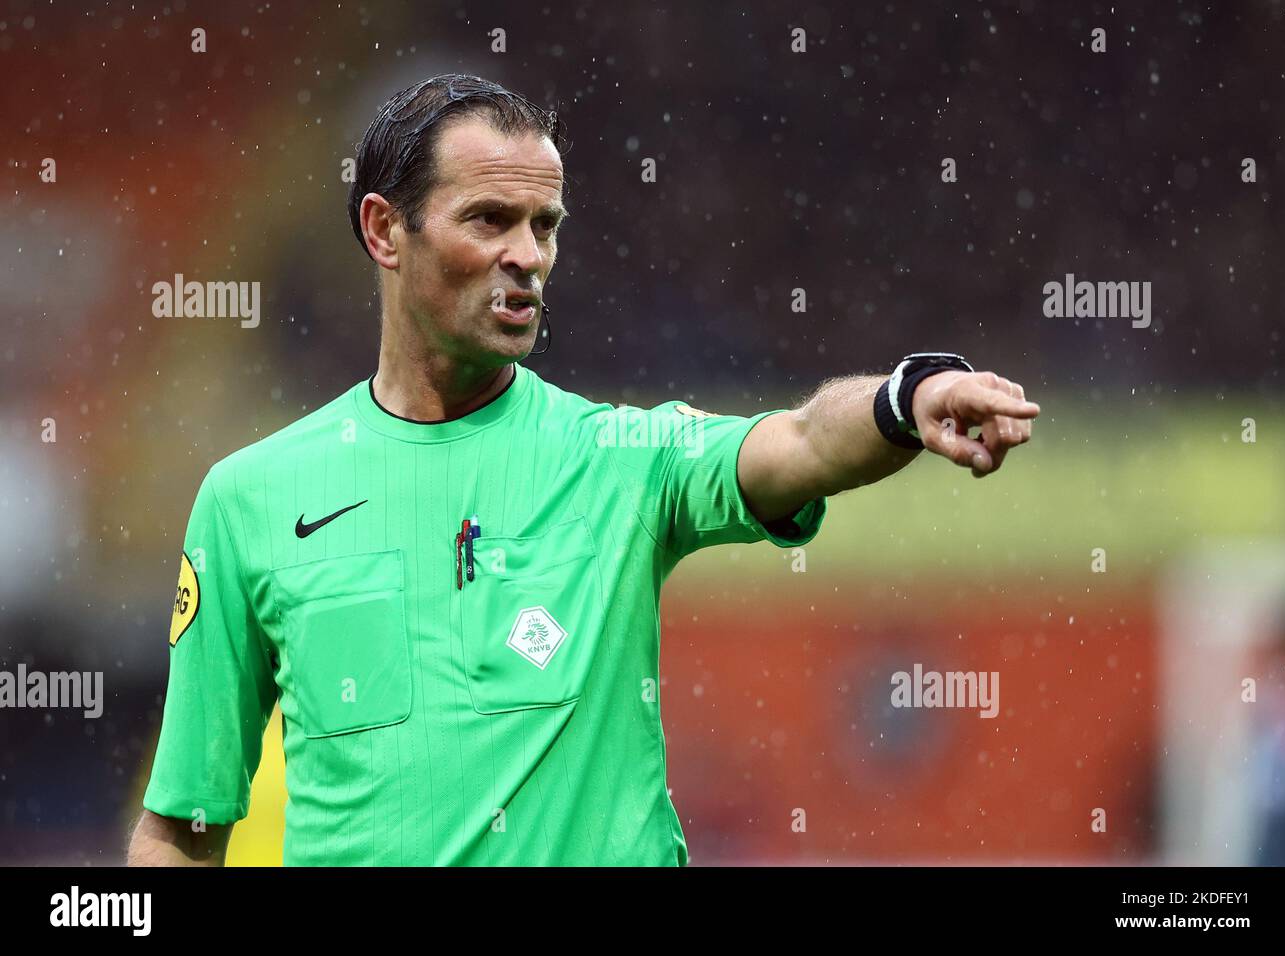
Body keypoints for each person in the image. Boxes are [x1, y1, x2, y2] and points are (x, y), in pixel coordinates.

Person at [128, 74, 1038, 866]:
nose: (528, 256)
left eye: (544, 225)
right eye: (489, 219)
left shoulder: (623, 460)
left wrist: (902, 399)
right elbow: (181, 832)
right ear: (384, 230)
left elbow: (799, 440)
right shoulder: (251, 500)